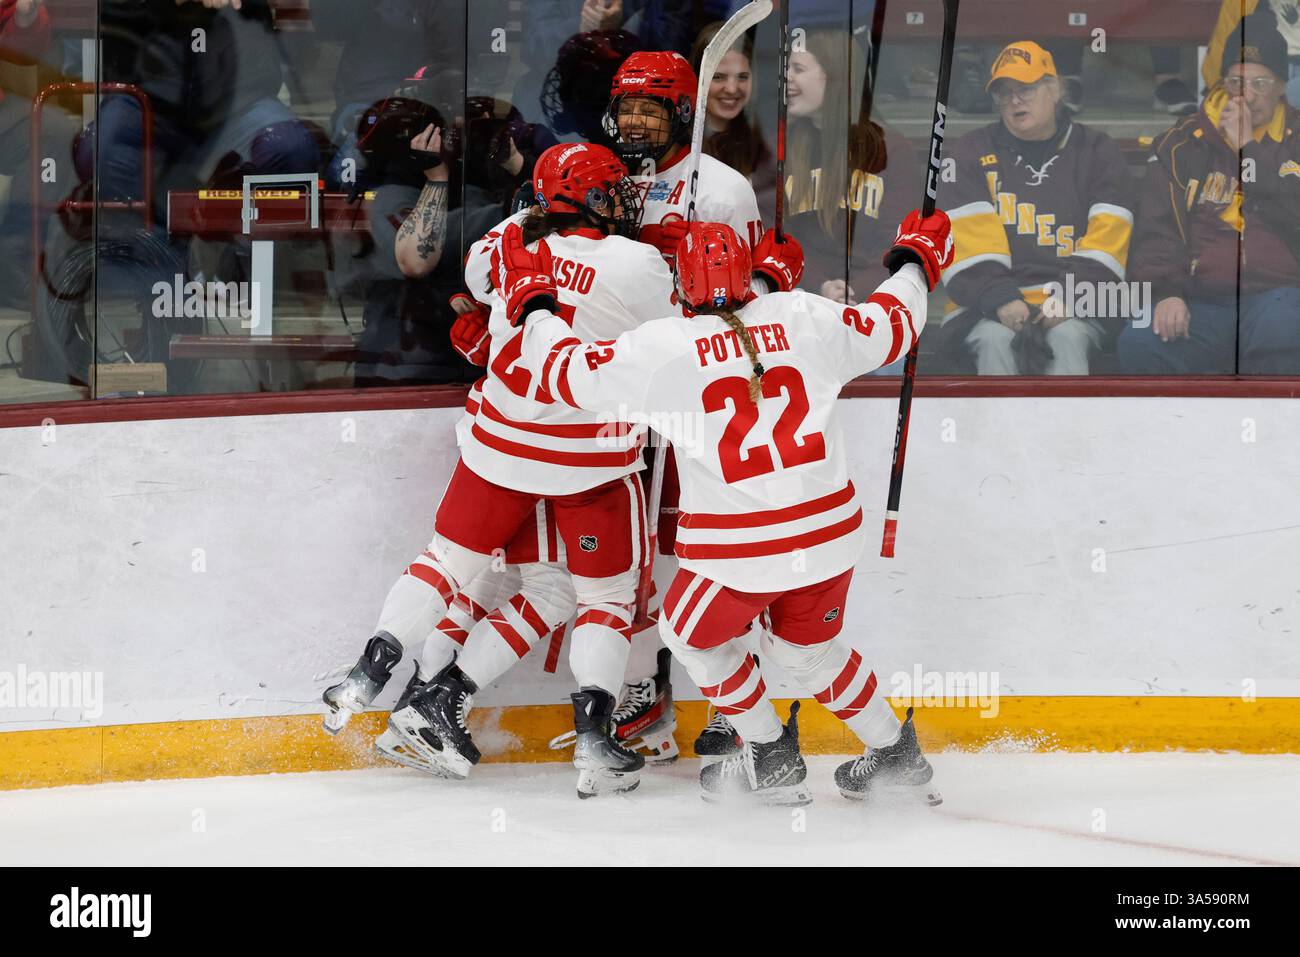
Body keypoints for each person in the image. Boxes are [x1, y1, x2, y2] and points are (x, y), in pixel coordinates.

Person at [505, 211, 951, 805]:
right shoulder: (805, 315)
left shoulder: (662, 349)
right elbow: (891, 324)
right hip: (828, 536)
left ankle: (768, 751)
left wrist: (533, 304)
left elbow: (563, 373)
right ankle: (897, 753)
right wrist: (914, 262)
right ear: (750, 273)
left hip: (738, 551)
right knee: (811, 654)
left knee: (686, 633)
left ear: (678, 287)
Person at [323, 142, 676, 798]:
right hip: (587, 456)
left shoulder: (503, 240)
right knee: (594, 597)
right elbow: (679, 338)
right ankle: (592, 735)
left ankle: (375, 667)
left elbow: (485, 282)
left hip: (499, 445)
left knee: (448, 566)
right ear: (596, 198)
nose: (626, 200)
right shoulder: (640, 264)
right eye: (615, 191)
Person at [1121, 12, 1300, 374]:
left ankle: (1263, 430)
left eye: (1260, 84)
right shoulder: (1181, 142)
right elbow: (1157, 228)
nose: (1246, 96)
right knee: (1139, 340)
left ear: (1282, 85)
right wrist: (1166, 292)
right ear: (1221, 83)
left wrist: (1248, 151)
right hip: (1199, 301)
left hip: (1278, 297)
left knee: (1283, 328)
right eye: (1236, 81)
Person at [940, 41, 1134, 375]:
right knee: (993, 340)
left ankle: (1068, 430)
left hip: (1080, 302)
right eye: (1004, 93)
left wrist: (1071, 298)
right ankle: (999, 430)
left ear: (1055, 88)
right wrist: (1000, 300)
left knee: (1069, 338)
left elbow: (1110, 239)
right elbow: (964, 243)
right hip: (986, 304)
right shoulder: (969, 151)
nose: (1015, 101)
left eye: (1026, 89)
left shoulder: (1097, 151)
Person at [782, 28, 918, 311]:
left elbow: (897, 240)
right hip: (802, 301)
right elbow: (781, 238)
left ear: (835, 77)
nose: (787, 78)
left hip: (874, 304)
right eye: (787, 68)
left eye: (798, 68)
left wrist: (858, 290)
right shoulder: (783, 149)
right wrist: (819, 285)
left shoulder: (891, 149)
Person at [690, 21, 776, 222]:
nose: (732, 88)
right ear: (698, 76)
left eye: (742, 77)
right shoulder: (678, 144)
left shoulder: (764, 143)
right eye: (719, 77)